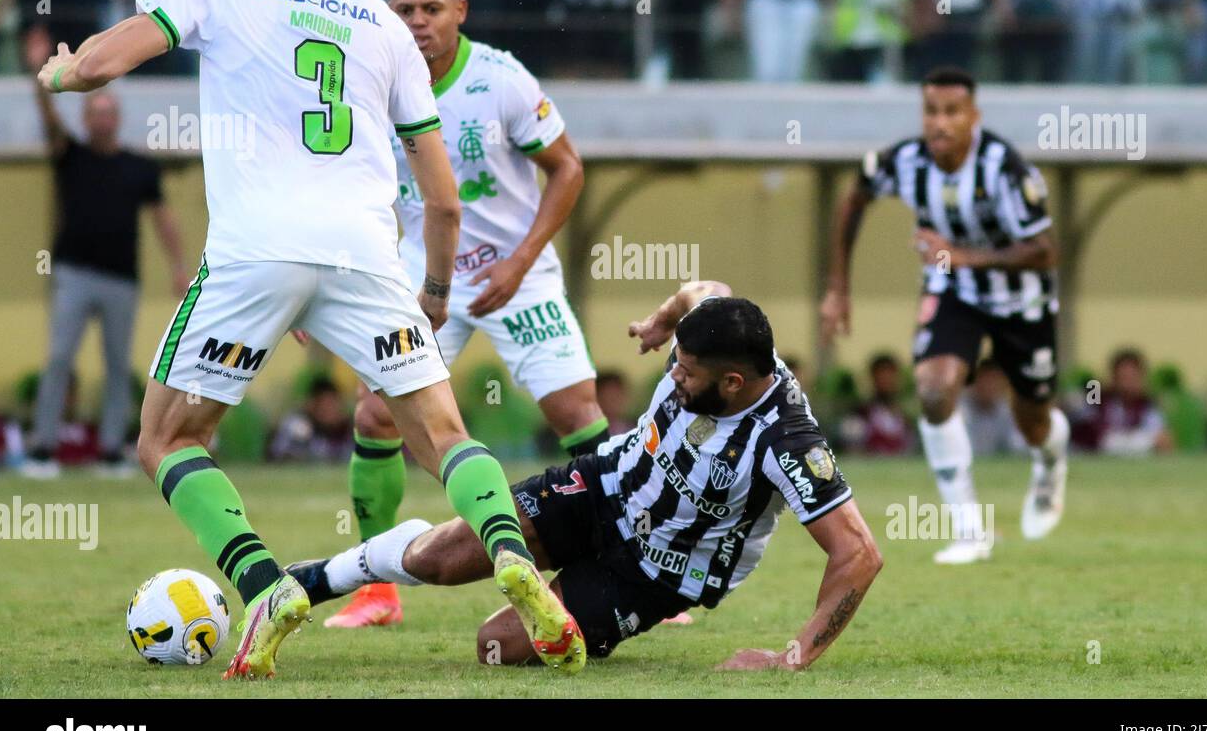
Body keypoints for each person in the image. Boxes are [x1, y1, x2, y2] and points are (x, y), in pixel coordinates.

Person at [34, 0, 585, 679]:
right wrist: (434, 292)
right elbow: (442, 202)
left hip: (254, 253)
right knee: (443, 435)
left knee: (166, 439)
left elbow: (107, 63)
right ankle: (510, 557)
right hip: (365, 258)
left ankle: (264, 586)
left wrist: (65, 69)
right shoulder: (385, 27)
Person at [288, 281, 884, 668]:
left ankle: (572, 601)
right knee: (444, 558)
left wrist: (792, 659)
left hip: (654, 571)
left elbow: (859, 554)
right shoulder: (714, 325)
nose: (674, 376)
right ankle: (313, 581)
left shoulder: (787, 442)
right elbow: (700, 291)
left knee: (494, 649)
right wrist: (660, 322)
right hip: (603, 485)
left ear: (734, 383)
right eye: (675, 361)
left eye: (688, 372)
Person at [321, 0, 607, 630]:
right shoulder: (375, 79)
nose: (417, 22)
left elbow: (566, 169)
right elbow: (344, 178)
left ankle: (618, 560)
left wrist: (522, 260)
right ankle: (377, 589)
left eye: (431, 9)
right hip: (422, 279)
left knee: (576, 413)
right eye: (405, 10)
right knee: (375, 416)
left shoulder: (500, 79)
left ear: (460, 12)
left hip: (517, 274)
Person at [819, 66, 1070, 564]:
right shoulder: (906, 161)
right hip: (953, 291)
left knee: (1032, 421)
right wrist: (838, 287)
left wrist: (960, 253)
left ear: (973, 116)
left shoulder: (1007, 169)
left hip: (1022, 300)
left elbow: (1045, 250)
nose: (940, 123)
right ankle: (968, 530)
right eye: (932, 111)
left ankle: (1049, 460)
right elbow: (855, 196)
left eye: (952, 112)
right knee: (933, 390)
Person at [20, 30, 186, 480]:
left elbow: (163, 220)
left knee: (117, 366)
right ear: (87, 119)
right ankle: (41, 449)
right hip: (74, 274)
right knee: (59, 360)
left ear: (117, 119)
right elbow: (49, 117)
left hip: (121, 280)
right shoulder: (69, 155)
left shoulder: (139, 167)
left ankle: (112, 451)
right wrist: (42, 74)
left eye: (108, 113)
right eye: (95, 112)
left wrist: (178, 267)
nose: (102, 120)